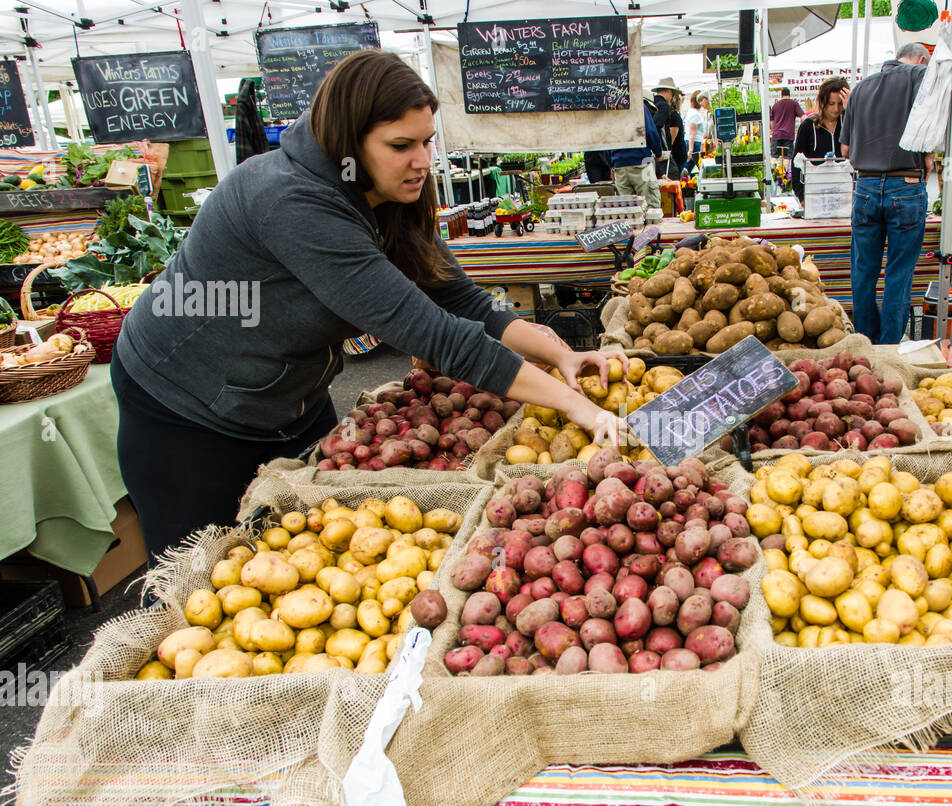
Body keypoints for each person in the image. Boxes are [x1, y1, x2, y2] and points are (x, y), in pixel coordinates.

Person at [110, 51, 625, 561]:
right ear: (346, 143)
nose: (423, 161)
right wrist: (574, 404)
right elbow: (437, 334)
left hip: (290, 390)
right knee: (200, 565)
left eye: (427, 141)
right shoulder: (293, 201)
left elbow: (460, 298)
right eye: (401, 145)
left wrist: (560, 356)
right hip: (185, 403)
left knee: (313, 536)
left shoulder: (389, 192)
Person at [840, 42, 934, 345]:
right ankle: (890, 346)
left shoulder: (861, 88)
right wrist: (929, 157)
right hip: (905, 184)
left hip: (865, 187)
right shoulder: (921, 75)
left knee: (863, 271)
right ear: (921, 59)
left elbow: (845, 150)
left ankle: (865, 342)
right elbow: (931, 128)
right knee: (899, 272)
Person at [791, 77, 849, 204]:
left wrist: (850, 110)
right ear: (822, 102)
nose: (836, 109)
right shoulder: (808, 126)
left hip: (846, 196)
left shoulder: (849, 123)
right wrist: (802, 197)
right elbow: (796, 165)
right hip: (815, 197)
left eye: (840, 104)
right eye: (831, 104)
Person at [610, 97, 664, 210]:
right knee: (651, 209)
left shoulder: (611, 109)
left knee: (627, 212)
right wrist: (658, 153)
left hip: (619, 166)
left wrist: (612, 163)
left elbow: (605, 138)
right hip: (641, 164)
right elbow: (650, 132)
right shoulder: (639, 107)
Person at [651, 79, 684, 179]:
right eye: (672, 93)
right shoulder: (664, 106)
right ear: (667, 91)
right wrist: (660, 151)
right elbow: (656, 127)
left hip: (651, 153)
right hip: (662, 153)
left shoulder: (651, 103)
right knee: (671, 177)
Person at [769, 87, 804, 161]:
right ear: (789, 94)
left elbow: (771, 122)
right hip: (788, 135)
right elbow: (803, 117)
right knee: (787, 158)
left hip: (776, 135)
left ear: (781, 95)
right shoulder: (794, 104)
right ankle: (785, 172)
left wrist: (774, 130)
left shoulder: (775, 105)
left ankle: (774, 172)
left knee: (774, 157)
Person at [682, 91, 711, 177]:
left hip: (693, 143)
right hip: (694, 144)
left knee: (689, 168)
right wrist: (690, 150)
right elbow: (692, 133)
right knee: (693, 167)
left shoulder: (692, 112)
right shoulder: (695, 114)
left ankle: (686, 183)